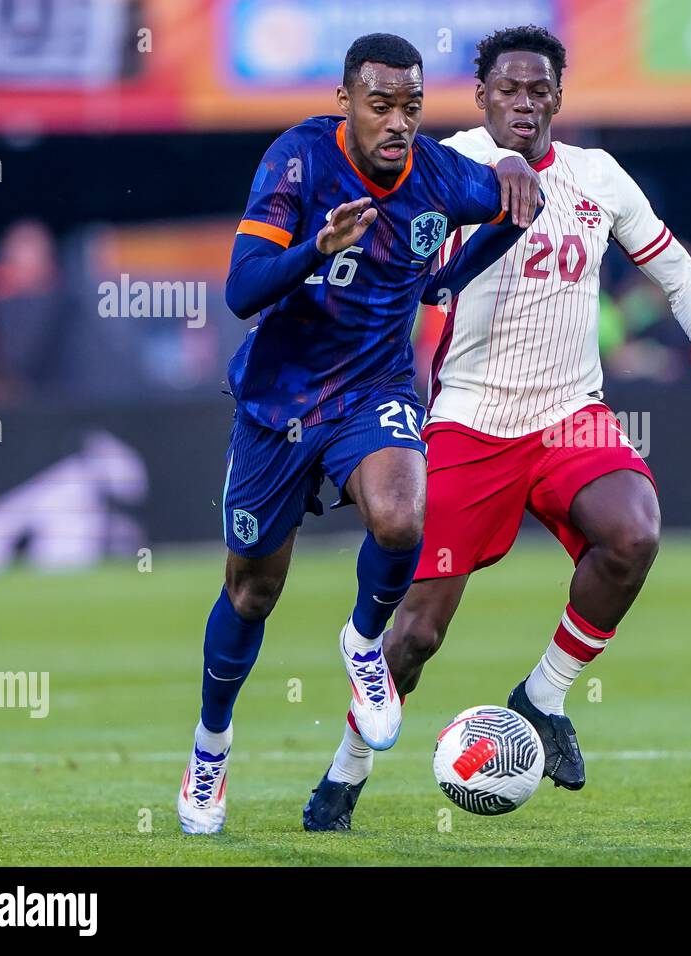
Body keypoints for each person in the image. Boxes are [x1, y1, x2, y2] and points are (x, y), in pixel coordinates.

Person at [304, 25, 691, 829]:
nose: (523, 103)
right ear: (481, 97)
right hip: (469, 423)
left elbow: (674, 269)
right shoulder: (442, 164)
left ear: (557, 98)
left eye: (538, 89)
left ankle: (541, 697)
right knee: (416, 635)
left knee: (635, 533)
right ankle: (346, 770)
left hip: (568, 415)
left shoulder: (597, 176)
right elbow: (377, 249)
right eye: (507, 89)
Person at [177, 32, 544, 835]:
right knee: (252, 590)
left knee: (402, 515)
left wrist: (461, 262)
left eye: (412, 106)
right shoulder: (297, 162)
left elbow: (523, 199)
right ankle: (210, 752)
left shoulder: (440, 174)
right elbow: (241, 290)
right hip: (279, 404)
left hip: (372, 392)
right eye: (380, 105)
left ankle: (364, 642)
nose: (398, 122)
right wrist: (318, 247)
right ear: (345, 102)